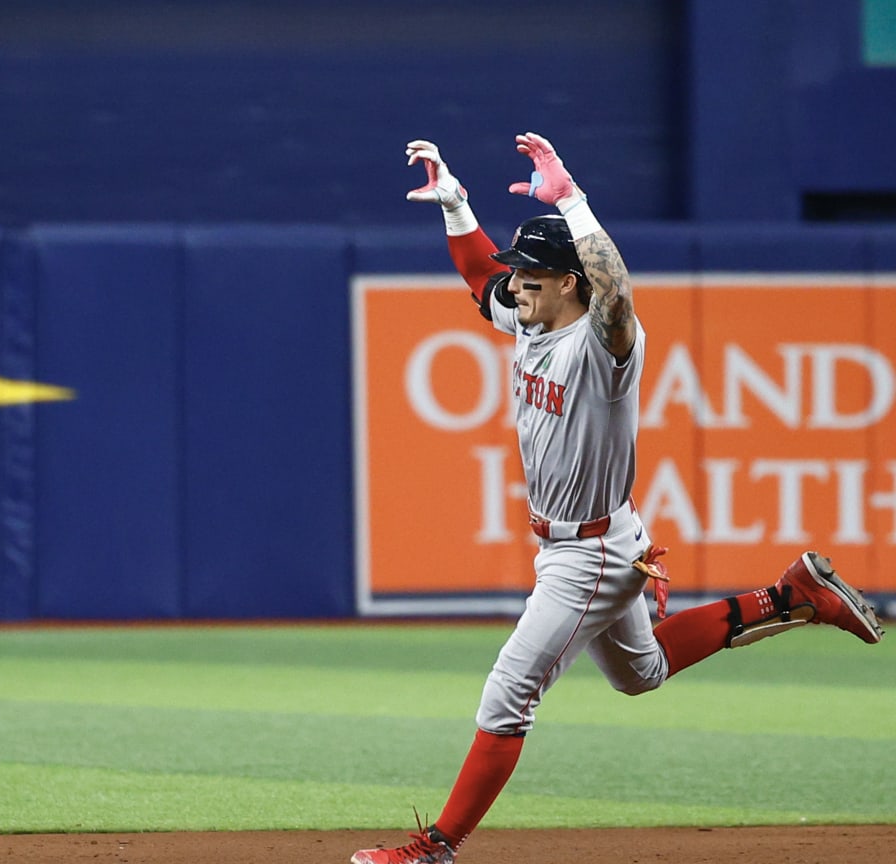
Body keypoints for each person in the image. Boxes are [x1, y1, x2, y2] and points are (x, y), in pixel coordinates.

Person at [350, 134, 886, 864]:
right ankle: (786, 596)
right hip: (588, 540)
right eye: (521, 275)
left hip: (591, 551)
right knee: (642, 673)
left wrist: (570, 198)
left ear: (572, 282)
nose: (518, 286)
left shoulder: (604, 347)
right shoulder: (529, 315)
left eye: (534, 276)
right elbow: (480, 279)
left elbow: (618, 287)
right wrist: (457, 207)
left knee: (509, 692)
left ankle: (437, 847)